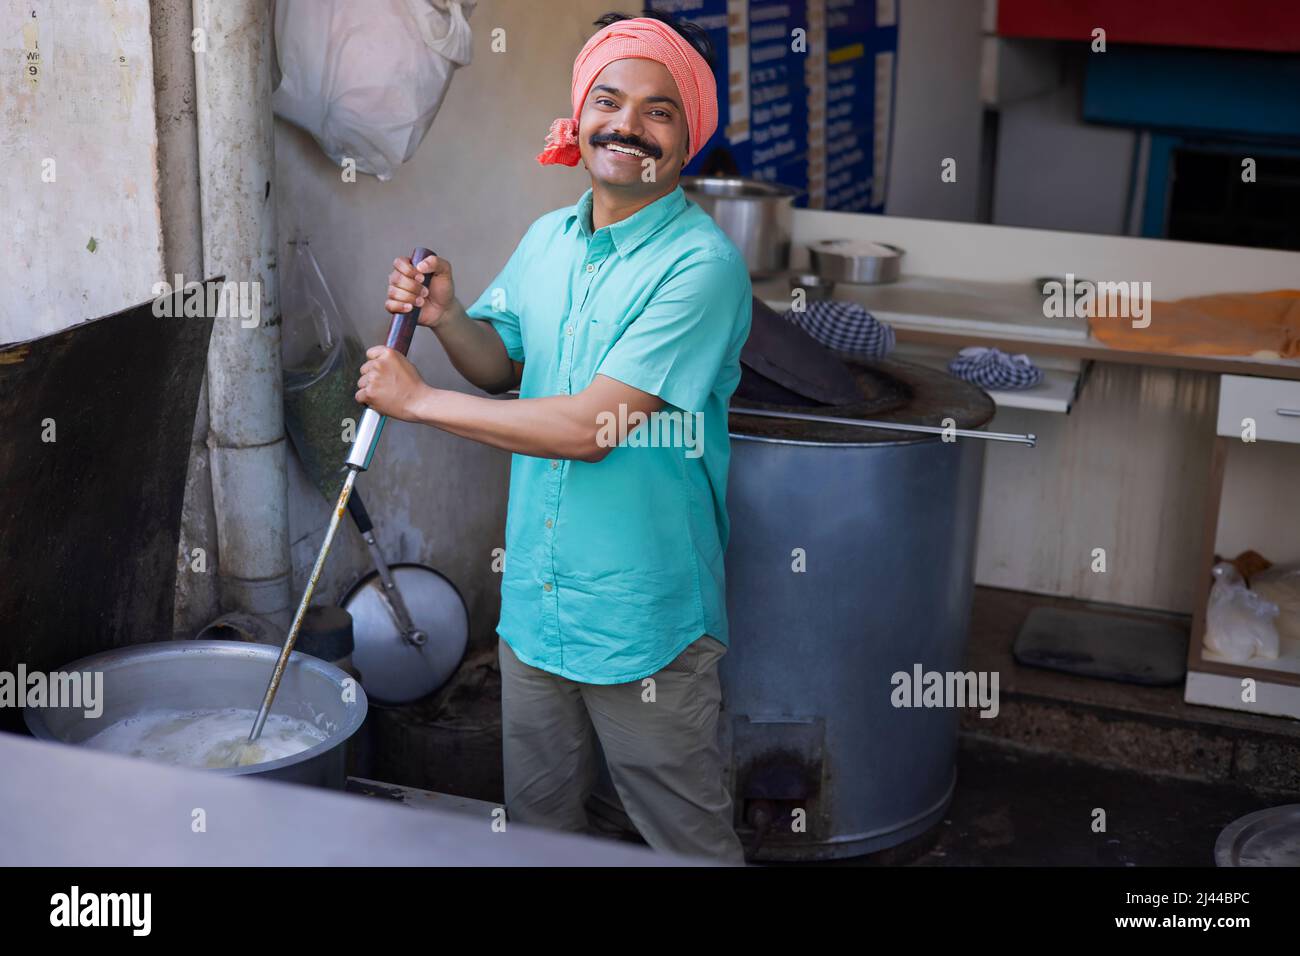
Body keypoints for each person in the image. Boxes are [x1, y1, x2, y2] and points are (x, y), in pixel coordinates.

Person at [357, 11, 750, 863]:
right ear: (580, 117)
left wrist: (417, 403)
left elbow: (590, 428)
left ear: (690, 137)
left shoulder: (700, 267)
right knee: (543, 833)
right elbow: (501, 366)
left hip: (643, 620)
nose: (628, 126)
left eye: (659, 110)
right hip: (536, 609)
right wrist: (449, 316)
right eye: (609, 100)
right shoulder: (547, 243)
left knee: (684, 839)